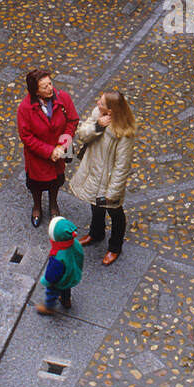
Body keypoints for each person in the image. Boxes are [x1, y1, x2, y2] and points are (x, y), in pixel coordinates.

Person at [69, 90, 136, 266]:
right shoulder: (97, 114)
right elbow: (82, 134)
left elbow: (122, 166)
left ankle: (115, 247)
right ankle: (96, 233)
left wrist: (113, 192)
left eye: (102, 102)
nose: (98, 102)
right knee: (95, 206)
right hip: (93, 174)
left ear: (111, 110)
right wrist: (97, 126)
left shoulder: (124, 133)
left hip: (107, 182)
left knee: (115, 213)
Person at [16, 69, 78, 227]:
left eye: (50, 83)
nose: (50, 88)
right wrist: (49, 151)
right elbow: (26, 137)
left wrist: (62, 146)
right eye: (44, 87)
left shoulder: (63, 98)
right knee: (35, 185)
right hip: (38, 157)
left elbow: (72, 121)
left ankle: (53, 205)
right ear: (35, 91)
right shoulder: (25, 108)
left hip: (59, 154)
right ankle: (37, 206)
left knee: (56, 182)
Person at [36, 216, 83, 315]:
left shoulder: (58, 257)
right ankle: (66, 301)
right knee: (66, 289)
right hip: (70, 275)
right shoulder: (75, 243)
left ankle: (49, 308)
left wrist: (46, 281)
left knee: (51, 292)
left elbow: (51, 275)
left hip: (59, 281)